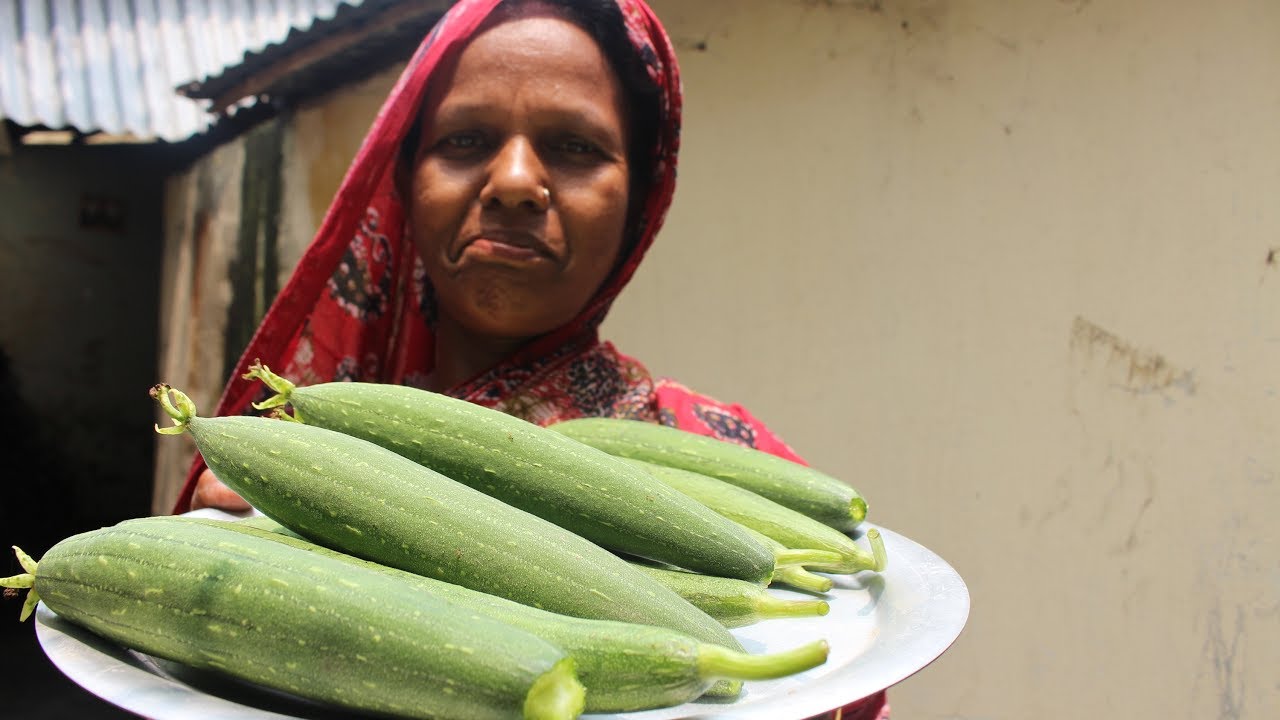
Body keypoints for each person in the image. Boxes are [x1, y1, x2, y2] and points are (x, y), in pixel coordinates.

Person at [174, 1, 888, 717]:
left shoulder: (747, 485)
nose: (515, 181)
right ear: (405, 180)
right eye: (466, 139)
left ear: (641, 197)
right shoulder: (296, 467)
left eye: (575, 146)